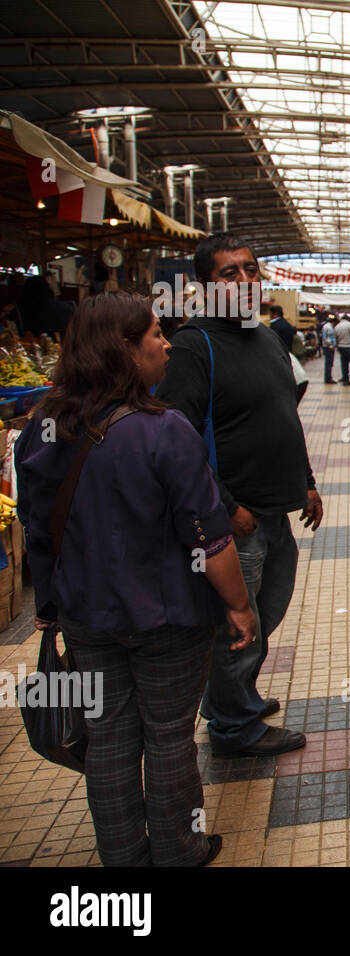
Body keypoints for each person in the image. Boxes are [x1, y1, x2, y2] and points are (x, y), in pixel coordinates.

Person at [16, 292, 259, 866]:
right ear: (124, 349)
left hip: (87, 617)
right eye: (154, 333)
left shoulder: (42, 429)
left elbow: (36, 529)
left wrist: (50, 607)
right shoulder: (163, 431)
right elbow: (210, 535)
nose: (166, 342)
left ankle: (123, 857)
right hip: (168, 617)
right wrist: (240, 605)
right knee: (170, 736)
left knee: (110, 738)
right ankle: (179, 848)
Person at [155, 234, 323, 758]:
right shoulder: (192, 346)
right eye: (230, 273)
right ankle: (234, 726)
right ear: (205, 285)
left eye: (251, 269)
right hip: (235, 522)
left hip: (275, 510)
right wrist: (228, 507)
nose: (245, 281)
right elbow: (175, 439)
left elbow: (282, 414)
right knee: (238, 625)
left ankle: (232, 695)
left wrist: (308, 480)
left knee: (264, 613)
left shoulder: (269, 337)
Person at [333, 313, 350, 385]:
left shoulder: (337, 326)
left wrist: (337, 345)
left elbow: (335, 337)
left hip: (341, 347)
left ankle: (345, 379)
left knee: (344, 364)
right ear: (348, 319)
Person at [320, 316, 337, 384]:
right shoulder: (328, 327)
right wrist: (331, 345)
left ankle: (328, 377)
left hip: (327, 347)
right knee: (329, 363)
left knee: (329, 363)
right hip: (328, 347)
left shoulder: (326, 326)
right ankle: (328, 378)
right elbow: (326, 337)